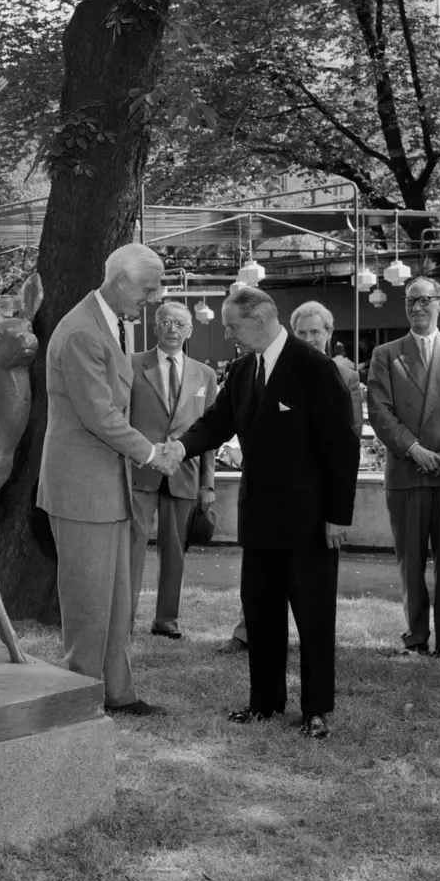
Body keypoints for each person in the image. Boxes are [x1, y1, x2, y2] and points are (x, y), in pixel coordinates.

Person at [169, 286, 359, 739]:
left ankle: (316, 709)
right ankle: (265, 702)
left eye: (232, 325)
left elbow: (342, 445)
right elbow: (217, 422)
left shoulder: (315, 367)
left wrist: (338, 515)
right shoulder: (241, 369)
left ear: (259, 319)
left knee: (313, 617)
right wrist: (179, 447)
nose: (228, 334)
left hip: (309, 520)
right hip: (258, 516)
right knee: (261, 613)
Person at [38, 242, 175, 717]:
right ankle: (80, 698)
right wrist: (153, 454)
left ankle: (118, 692)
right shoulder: (82, 331)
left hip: (106, 486)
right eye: (147, 290)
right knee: (88, 603)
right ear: (119, 281)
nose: (152, 300)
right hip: (82, 490)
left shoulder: (106, 323)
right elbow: (99, 415)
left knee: (115, 599)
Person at [367, 277, 440, 659]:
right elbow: (379, 411)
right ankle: (415, 638)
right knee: (411, 560)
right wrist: (414, 449)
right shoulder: (386, 354)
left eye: (424, 300)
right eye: (410, 301)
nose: (417, 307)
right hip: (407, 472)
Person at [128, 299, 218, 640]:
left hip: (185, 474)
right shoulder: (131, 365)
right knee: (132, 547)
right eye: (166, 322)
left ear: (190, 331)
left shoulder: (205, 375)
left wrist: (207, 483)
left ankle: (166, 620)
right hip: (140, 472)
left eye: (180, 324)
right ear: (155, 326)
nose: (172, 329)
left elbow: (210, 433)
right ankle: (125, 618)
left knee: (175, 551)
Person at [291, 301, 364, 438]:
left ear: (329, 333)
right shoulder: (279, 373)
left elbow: (353, 431)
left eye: (314, 332)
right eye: (301, 333)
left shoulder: (347, 377)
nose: (308, 339)